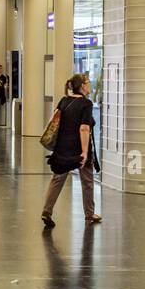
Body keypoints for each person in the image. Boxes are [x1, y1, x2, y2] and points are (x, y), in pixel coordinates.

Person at [41, 73, 100, 228]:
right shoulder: (86, 104)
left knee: (57, 180)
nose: (90, 85)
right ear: (82, 86)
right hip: (78, 149)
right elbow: (84, 129)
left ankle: (46, 211)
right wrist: (85, 152)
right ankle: (89, 213)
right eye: (88, 82)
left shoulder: (64, 100)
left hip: (62, 149)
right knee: (87, 181)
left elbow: (53, 120)